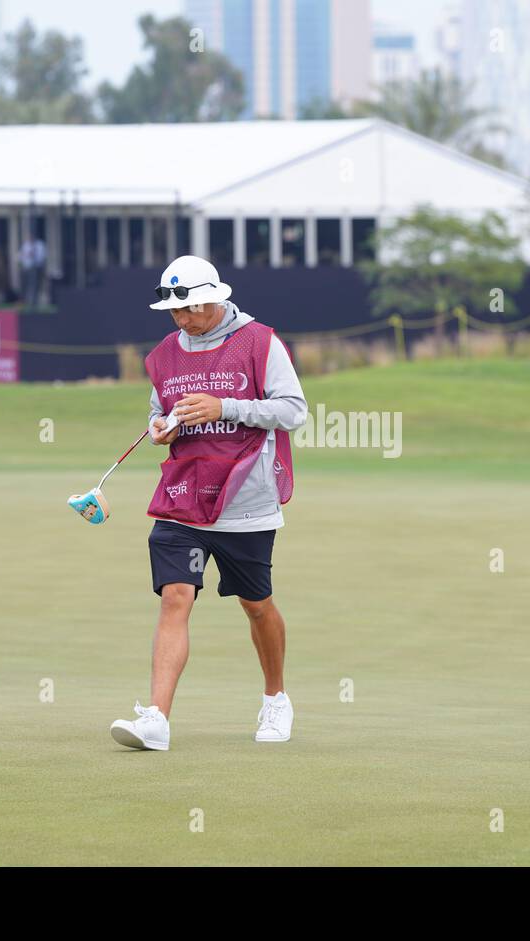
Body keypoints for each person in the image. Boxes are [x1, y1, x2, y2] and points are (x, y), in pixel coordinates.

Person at [109, 255, 308, 752]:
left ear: (214, 298)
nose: (181, 319)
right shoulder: (163, 354)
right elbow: (159, 411)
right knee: (176, 597)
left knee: (256, 605)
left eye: (190, 309)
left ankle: (275, 698)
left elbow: (293, 411)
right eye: (173, 311)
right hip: (183, 496)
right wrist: (162, 428)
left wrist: (226, 408)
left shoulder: (261, 342)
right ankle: (156, 718)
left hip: (247, 500)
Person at [19, 233, 46, 307]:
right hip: (26, 268)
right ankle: (24, 301)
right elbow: (21, 256)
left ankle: (35, 301)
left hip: (36, 269)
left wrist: (32, 255)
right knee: (25, 285)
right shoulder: (26, 244)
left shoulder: (40, 245)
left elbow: (41, 257)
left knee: (35, 285)